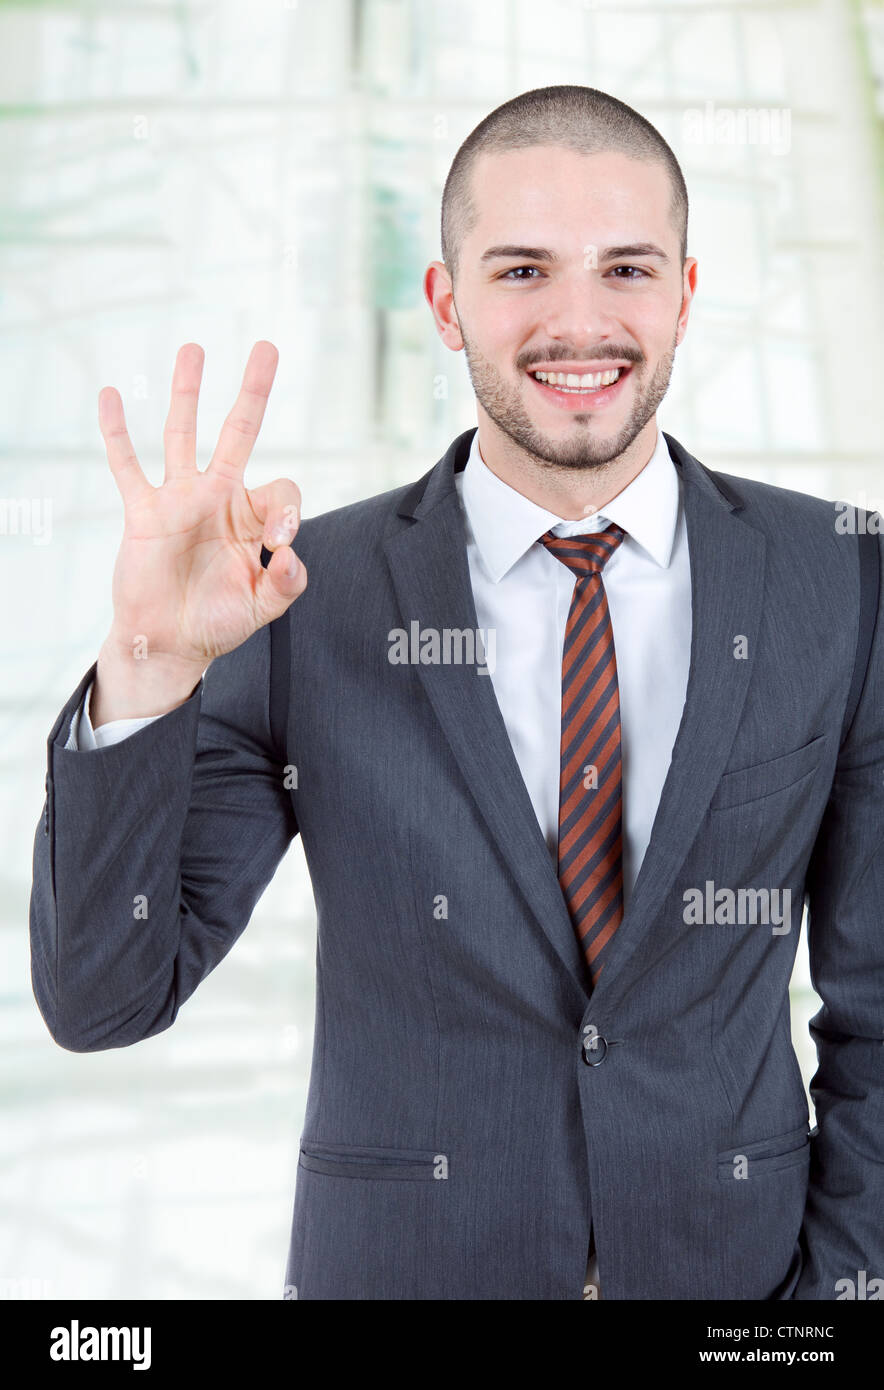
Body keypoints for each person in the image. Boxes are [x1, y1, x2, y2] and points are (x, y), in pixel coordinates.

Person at [29, 85, 883, 1301]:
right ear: (445, 303)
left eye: (626, 269)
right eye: (522, 270)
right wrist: (150, 665)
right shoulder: (297, 600)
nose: (578, 322)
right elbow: (105, 996)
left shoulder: (840, 576)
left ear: (686, 294)